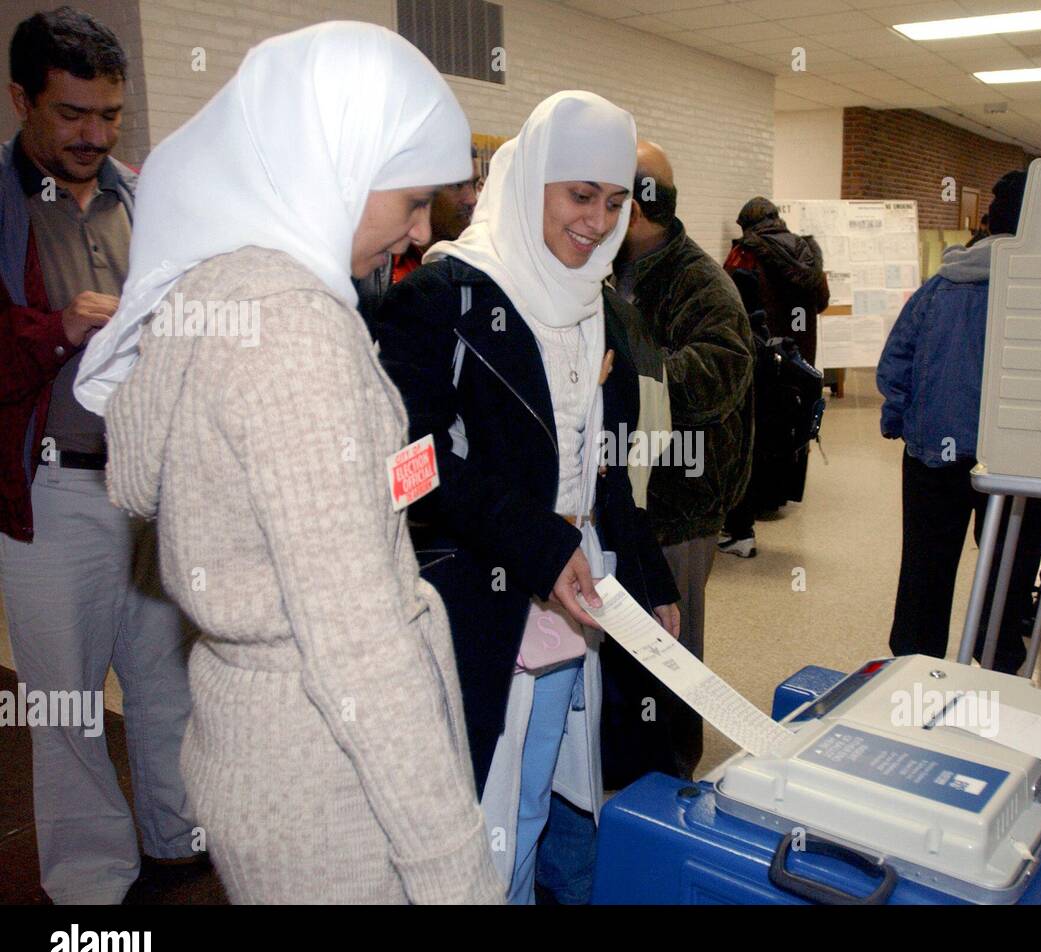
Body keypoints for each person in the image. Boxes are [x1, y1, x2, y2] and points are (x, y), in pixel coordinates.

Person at [73, 21, 501, 904]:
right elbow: (357, 644)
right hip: (333, 785)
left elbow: (141, 474)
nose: (420, 232)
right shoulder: (294, 329)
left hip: (251, 741)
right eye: (413, 198)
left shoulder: (210, 284)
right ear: (336, 161)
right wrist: (453, 867)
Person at [373, 91, 680, 904]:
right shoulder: (442, 298)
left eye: (616, 202)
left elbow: (601, 460)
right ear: (533, 178)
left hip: (569, 598)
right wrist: (533, 541)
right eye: (580, 196)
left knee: (533, 799)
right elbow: (408, 466)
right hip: (479, 598)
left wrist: (647, 573)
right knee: (472, 809)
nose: (597, 220)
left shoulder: (597, 303)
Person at [0, 6, 195, 905]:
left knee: (165, 682)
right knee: (69, 706)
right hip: (52, 491)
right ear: (20, 101)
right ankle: (87, 886)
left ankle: (176, 839)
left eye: (109, 115)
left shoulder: (144, 197)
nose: (95, 134)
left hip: (150, 488)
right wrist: (56, 331)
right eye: (74, 113)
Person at [614, 139, 753, 779]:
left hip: (680, 502)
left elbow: (722, 373)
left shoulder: (702, 282)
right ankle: (634, 757)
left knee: (674, 648)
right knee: (630, 641)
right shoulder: (612, 268)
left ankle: (674, 771)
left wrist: (631, 377)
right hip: (627, 492)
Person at [877, 170, 1041, 673]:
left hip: (934, 453)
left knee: (925, 567)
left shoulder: (941, 285)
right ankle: (997, 665)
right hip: (1018, 461)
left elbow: (895, 363)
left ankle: (913, 666)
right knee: (1008, 567)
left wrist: (902, 419)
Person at [720, 195, 829, 557]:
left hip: (763, 350)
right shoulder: (808, 251)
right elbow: (822, 299)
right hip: (799, 351)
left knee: (757, 426)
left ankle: (754, 506)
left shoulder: (747, 252)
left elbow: (726, 296)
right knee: (792, 417)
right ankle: (781, 493)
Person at [354, 150, 480, 325]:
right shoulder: (366, 266)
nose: (472, 199)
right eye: (457, 185)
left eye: (475, 185)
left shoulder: (481, 268)